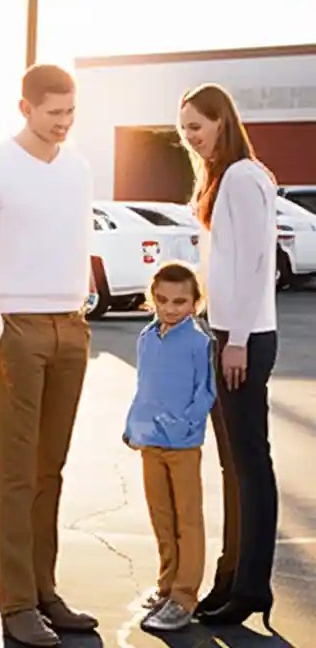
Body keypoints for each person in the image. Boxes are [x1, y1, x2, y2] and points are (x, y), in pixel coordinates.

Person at [0, 64, 98, 647]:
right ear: (25, 108)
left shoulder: (79, 169)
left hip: (71, 327)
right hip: (16, 326)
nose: (64, 124)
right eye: (53, 113)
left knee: (51, 469)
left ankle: (45, 591)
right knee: (16, 472)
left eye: (70, 113)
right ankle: (15, 604)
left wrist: (80, 307)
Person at [177, 83, 280, 628]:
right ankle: (231, 578)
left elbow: (258, 263)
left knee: (250, 466)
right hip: (228, 334)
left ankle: (251, 585)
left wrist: (236, 337)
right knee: (234, 467)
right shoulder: (225, 176)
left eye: (198, 126)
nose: (191, 138)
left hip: (245, 338)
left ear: (222, 120)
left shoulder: (242, 177)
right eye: (184, 130)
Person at [121, 262, 216, 632]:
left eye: (180, 301)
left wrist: (184, 426)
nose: (171, 308)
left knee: (187, 519)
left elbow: (205, 391)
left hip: (182, 446)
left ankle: (184, 596)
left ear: (195, 303)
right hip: (150, 444)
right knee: (161, 516)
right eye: (162, 300)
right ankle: (165, 586)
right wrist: (133, 427)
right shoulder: (146, 338)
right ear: (152, 298)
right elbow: (143, 389)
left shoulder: (197, 341)